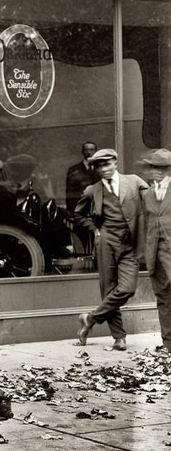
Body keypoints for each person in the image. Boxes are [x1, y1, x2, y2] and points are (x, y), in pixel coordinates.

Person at [75, 148, 148, 351]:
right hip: (106, 241)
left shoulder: (133, 181)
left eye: (107, 164)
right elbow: (78, 215)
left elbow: (152, 198)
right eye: (99, 166)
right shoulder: (92, 190)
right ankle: (119, 337)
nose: (103, 169)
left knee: (127, 289)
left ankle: (90, 318)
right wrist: (95, 229)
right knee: (108, 289)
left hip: (130, 243)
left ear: (115, 163)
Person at [140, 148, 171, 352]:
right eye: (153, 167)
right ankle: (168, 344)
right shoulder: (147, 195)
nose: (157, 172)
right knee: (164, 298)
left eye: (162, 168)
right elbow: (146, 224)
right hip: (155, 255)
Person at [66, 141, 99, 257]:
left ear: (95, 151)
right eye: (87, 149)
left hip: (97, 210)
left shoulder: (100, 169)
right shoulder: (74, 170)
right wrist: (73, 212)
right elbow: (69, 193)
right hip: (80, 210)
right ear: (82, 151)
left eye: (92, 149)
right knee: (81, 241)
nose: (89, 152)